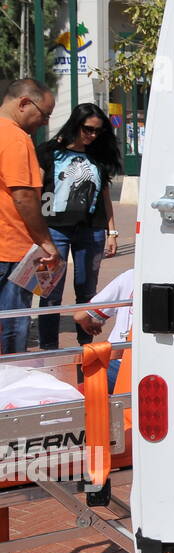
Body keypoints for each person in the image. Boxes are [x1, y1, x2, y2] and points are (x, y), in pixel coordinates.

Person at [35, 103, 123, 350]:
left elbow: (105, 197)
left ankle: (86, 348)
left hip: (91, 231)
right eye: (88, 129)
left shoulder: (99, 156)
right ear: (76, 124)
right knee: (49, 293)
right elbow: (35, 192)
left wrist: (112, 232)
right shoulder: (48, 152)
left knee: (87, 293)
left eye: (98, 131)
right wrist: (35, 233)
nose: (92, 135)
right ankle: (48, 349)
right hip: (52, 231)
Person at [0, 78, 60, 353]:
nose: (45, 122)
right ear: (24, 103)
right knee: (13, 327)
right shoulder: (15, 138)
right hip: (12, 249)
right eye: (44, 114)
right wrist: (46, 242)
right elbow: (23, 197)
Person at [73, 267, 133, 392]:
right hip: (164, 368)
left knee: (82, 361)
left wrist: (90, 323)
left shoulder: (131, 276)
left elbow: (80, 316)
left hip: (121, 366)